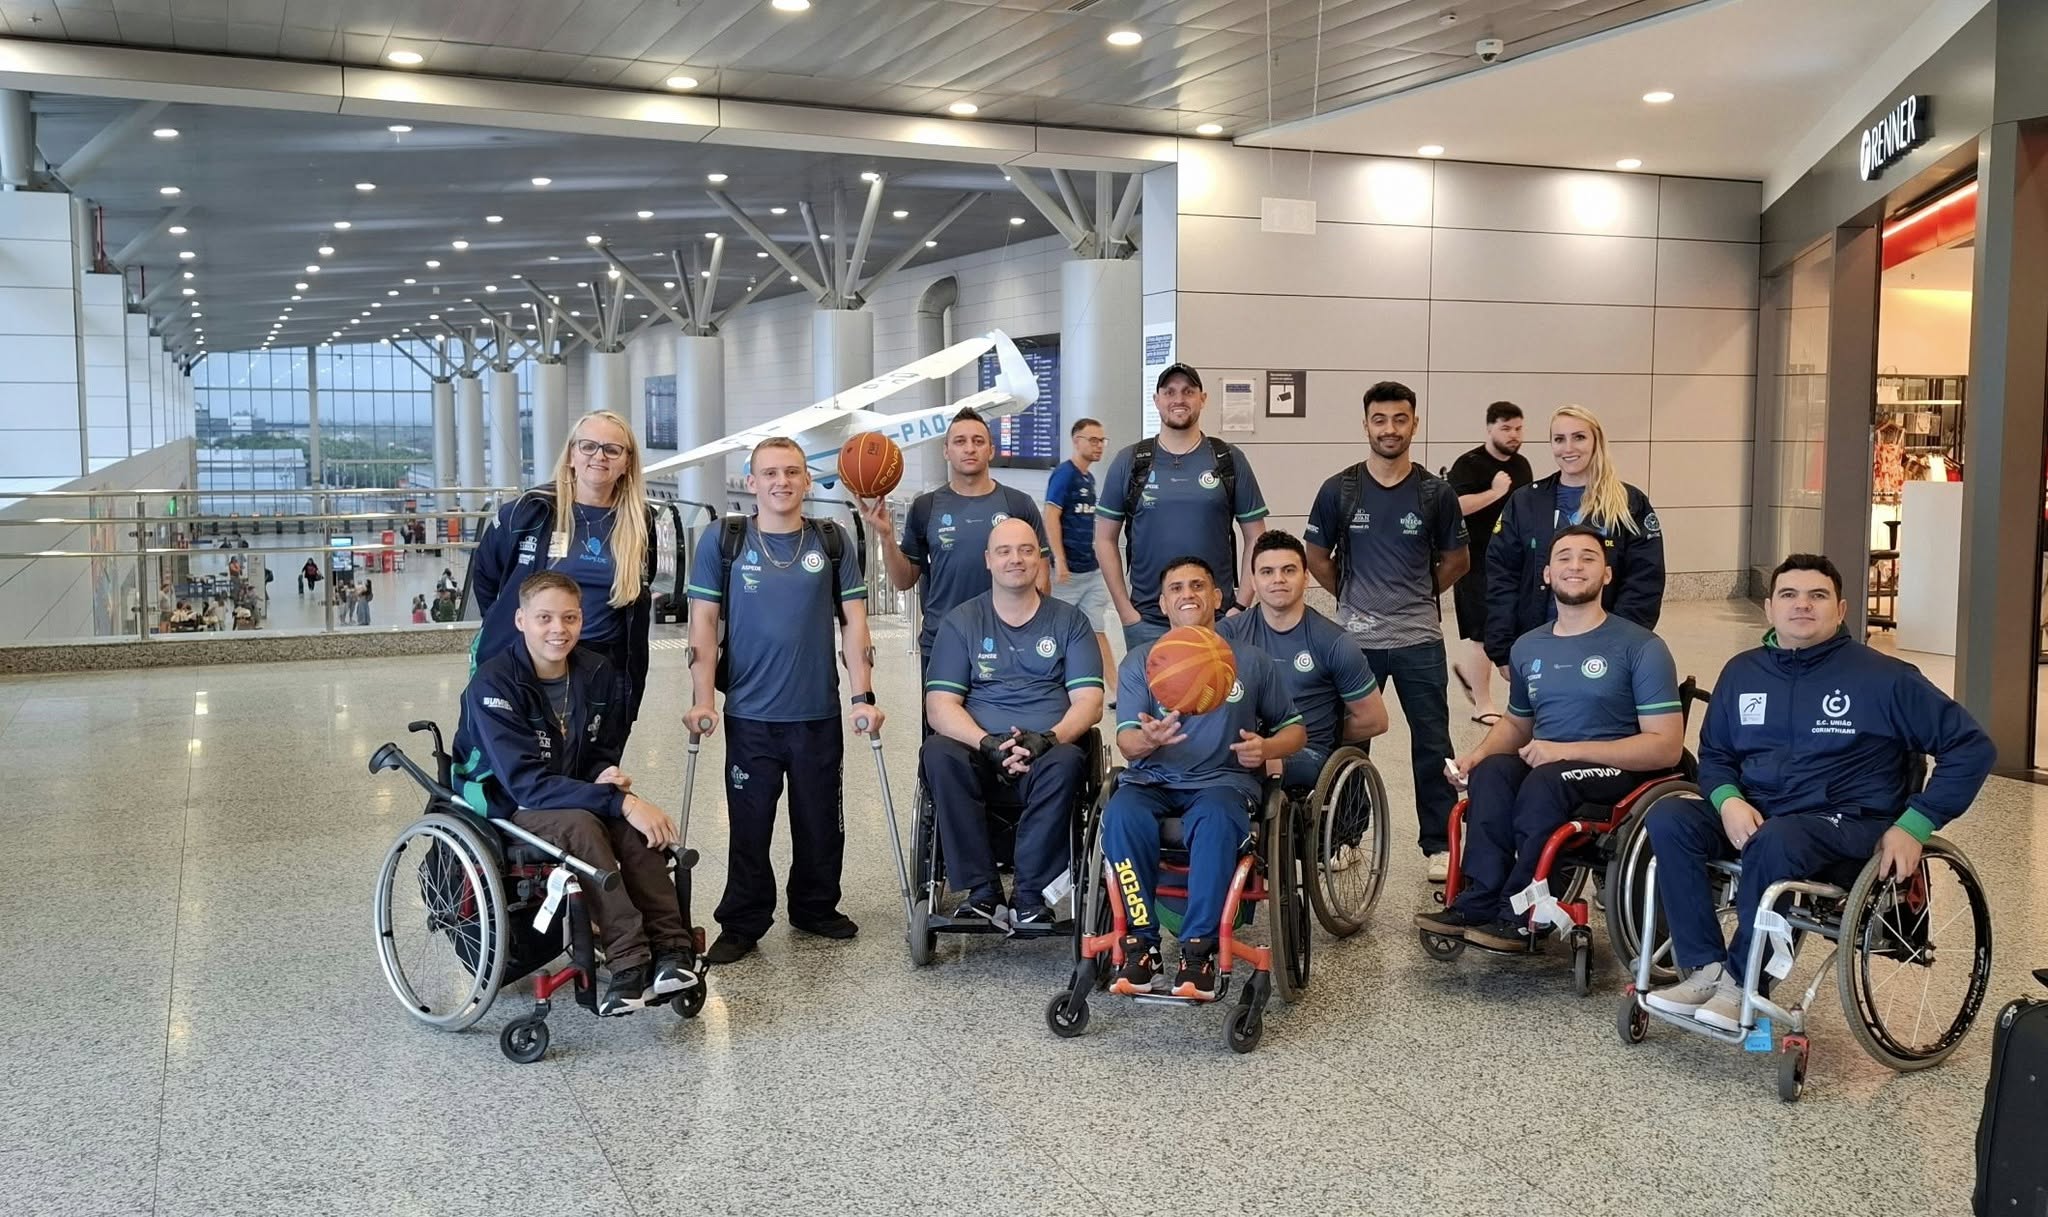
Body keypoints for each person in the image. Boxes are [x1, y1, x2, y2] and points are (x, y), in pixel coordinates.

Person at [1639, 553, 1993, 1031]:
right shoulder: (1743, 672)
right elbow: (1717, 754)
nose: (1801, 605)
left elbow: (1971, 746)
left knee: (1779, 838)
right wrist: (1729, 801)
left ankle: (1746, 983)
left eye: (1817, 595)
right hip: (1762, 814)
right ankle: (1706, 969)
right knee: (1668, 817)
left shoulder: (1884, 678)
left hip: (1846, 821)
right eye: (1789, 594)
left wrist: (1915, 824)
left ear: (1842, 609)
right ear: (1769, 608)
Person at [1414, 526, 1685, 953]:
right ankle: (1480, 898)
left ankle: (1522, 911)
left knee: (1547, 780)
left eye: (1588, 557)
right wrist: (1478, 755)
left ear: (1607, 575)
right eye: (1564, 557)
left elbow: (1666, 746)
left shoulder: (1641, 647)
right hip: (1553, 766)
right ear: (1546, 574)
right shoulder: (1529, 647)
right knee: (1494, 772)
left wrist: (1564, 751)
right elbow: (1518, 723)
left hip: (1620, 771)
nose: (1575, 565)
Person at [451, 571, 693, 1016]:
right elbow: (524, 783)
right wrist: (620, 801)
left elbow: (598, 749)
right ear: (520, 620)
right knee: (587, 824)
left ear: (582, 620)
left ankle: (673, 951)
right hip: (502, 802)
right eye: (544, 618)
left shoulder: (594, 670)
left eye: (569, 617)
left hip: (565, 791)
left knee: (632, 828)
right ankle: (628, 961)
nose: (558, 629)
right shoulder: (493, 684)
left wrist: (607, 777)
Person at [685, 436, 881, 964]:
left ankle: (815, 907)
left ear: (806, 480)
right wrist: (703, 699)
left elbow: (855, 624)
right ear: (752, 483)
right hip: (749, 715)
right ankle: (743, 920)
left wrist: (863, 695)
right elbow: (703, 624)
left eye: (792, 472)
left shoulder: (832, 541)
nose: (782, 482)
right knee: (749, 823)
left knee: (821, 820)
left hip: (818, 713)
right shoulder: (721, 542)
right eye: (769, 473)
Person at [1102, 556, 1304, 1000]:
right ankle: (1141, 943)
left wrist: (1267, 748)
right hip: (1152, 781)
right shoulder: (1141, 662)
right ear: (1163, 602)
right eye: (1176, 588)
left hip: (1222, 783)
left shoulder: (1250, 662)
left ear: (1217, 597)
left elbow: (1296, 729)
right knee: (1119, 814)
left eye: (1198, 585)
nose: (1187, 594)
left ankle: (1199, 949)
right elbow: (1129, 746)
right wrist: (1151, 739)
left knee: (1214, 823)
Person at [1303, 381, 1469, 882]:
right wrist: (1353, 599)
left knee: (1433, 743)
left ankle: (1439, 844)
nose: (1390, 429)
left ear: (1414, 423)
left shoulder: (1436, 494)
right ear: (1366, 425)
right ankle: (1347, 837)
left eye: (1400, 419)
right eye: (1380, 419)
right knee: (1351, 741)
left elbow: (1458, 560)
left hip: (1420, 641)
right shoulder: (1340, 489)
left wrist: (1413, 596)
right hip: (1356, 642)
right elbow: (1315, 557)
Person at [921, 517, 1105, 927]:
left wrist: (1048, 738)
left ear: (1040, 558)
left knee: (1070, 761)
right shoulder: (962, 622)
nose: (1015, 560)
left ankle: (1029, 894)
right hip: (978, 753)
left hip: (1046, 754)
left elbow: (1089, 702)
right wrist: (986, 741)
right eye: (1004, 551)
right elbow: (939, 706)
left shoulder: (1069, 622)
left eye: (1025, 550)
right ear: (988, 560)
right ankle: (983, 891)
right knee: (937, 751)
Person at [468, 410, 659, 730]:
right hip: (533, 661)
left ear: (627, 462)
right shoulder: (529, 510)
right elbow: (487, 575)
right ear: (572, 454)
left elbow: (639, 589)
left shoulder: (640, 521)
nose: (599, 456)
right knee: (525, 766)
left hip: (603, 671)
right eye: (588, 446)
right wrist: (516, 626)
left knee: (594, 770)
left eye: (612, 450)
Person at [863, 408, 1051, 682]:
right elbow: (904, 581)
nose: (969, 448)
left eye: (978, 441)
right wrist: (886, 536)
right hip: (943, 640)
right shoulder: (926, 507)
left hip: (1006, 641)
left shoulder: (1019, 504)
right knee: (940, 723)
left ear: (991, 450)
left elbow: (1042, 584)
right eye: (960, 441)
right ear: (946, 451)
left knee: (1000, 725)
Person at [1095, 365, 1269, 653]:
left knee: (1221, 696)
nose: (1179, 399)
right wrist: (1126, 611)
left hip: (1217, 618)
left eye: (1188, 392)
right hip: (1148, 620)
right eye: (1170, 392)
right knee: (1152, 697)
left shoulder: (1227, 459)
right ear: (1156, 400)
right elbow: (1104, 539)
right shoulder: (1132, 461)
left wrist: (1240, 605)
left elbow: (1256, 537)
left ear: (1203, 398)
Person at [1486, 404, 1665, 676]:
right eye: (1559, 439)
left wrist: (1620, 643)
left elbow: (1645, 580)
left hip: (1606, 652)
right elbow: (1502, 575)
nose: (1568, 448)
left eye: (1579, 437)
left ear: (1596, 441)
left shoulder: (1629, 503)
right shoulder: (1526, 502)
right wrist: (1502, 648)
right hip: (1538, 647)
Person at [1219, 531, 1388, 789]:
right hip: (1244, 745)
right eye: (1267, 572)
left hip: (1306, 752)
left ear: (1306, 576)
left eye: (1289, 570)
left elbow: (1374, 719)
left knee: (1253, 765)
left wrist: (1320, 732)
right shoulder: (1228, 634)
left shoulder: (1334, 642)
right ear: (1252, 581)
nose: (1278, 579)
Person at [1446, 401, 1534, 725]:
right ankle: (1482, 703)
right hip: (1475, 560)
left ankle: (1475, 677)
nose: (1513, 435)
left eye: (1518, 428)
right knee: (1483, 632)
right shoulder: (1469, 465)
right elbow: (1454, 506)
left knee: (1515, 626)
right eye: (1506, 428)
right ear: (1489, 429)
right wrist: (1495, 492)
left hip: (1515, 558)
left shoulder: (1523, 466)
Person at [1043, 417, 1118, 702]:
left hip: (1091, 570)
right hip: (1067, 574)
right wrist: (1059, 561)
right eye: (1093, 440)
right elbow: (1051, 515)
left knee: (1098, 630)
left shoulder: (1089, 478)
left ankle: (1119, 692)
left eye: (1102, 440)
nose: (1099, 446)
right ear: (1077, 441)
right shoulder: (1065, 474)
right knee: (1057, 633)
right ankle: (1051, 691)